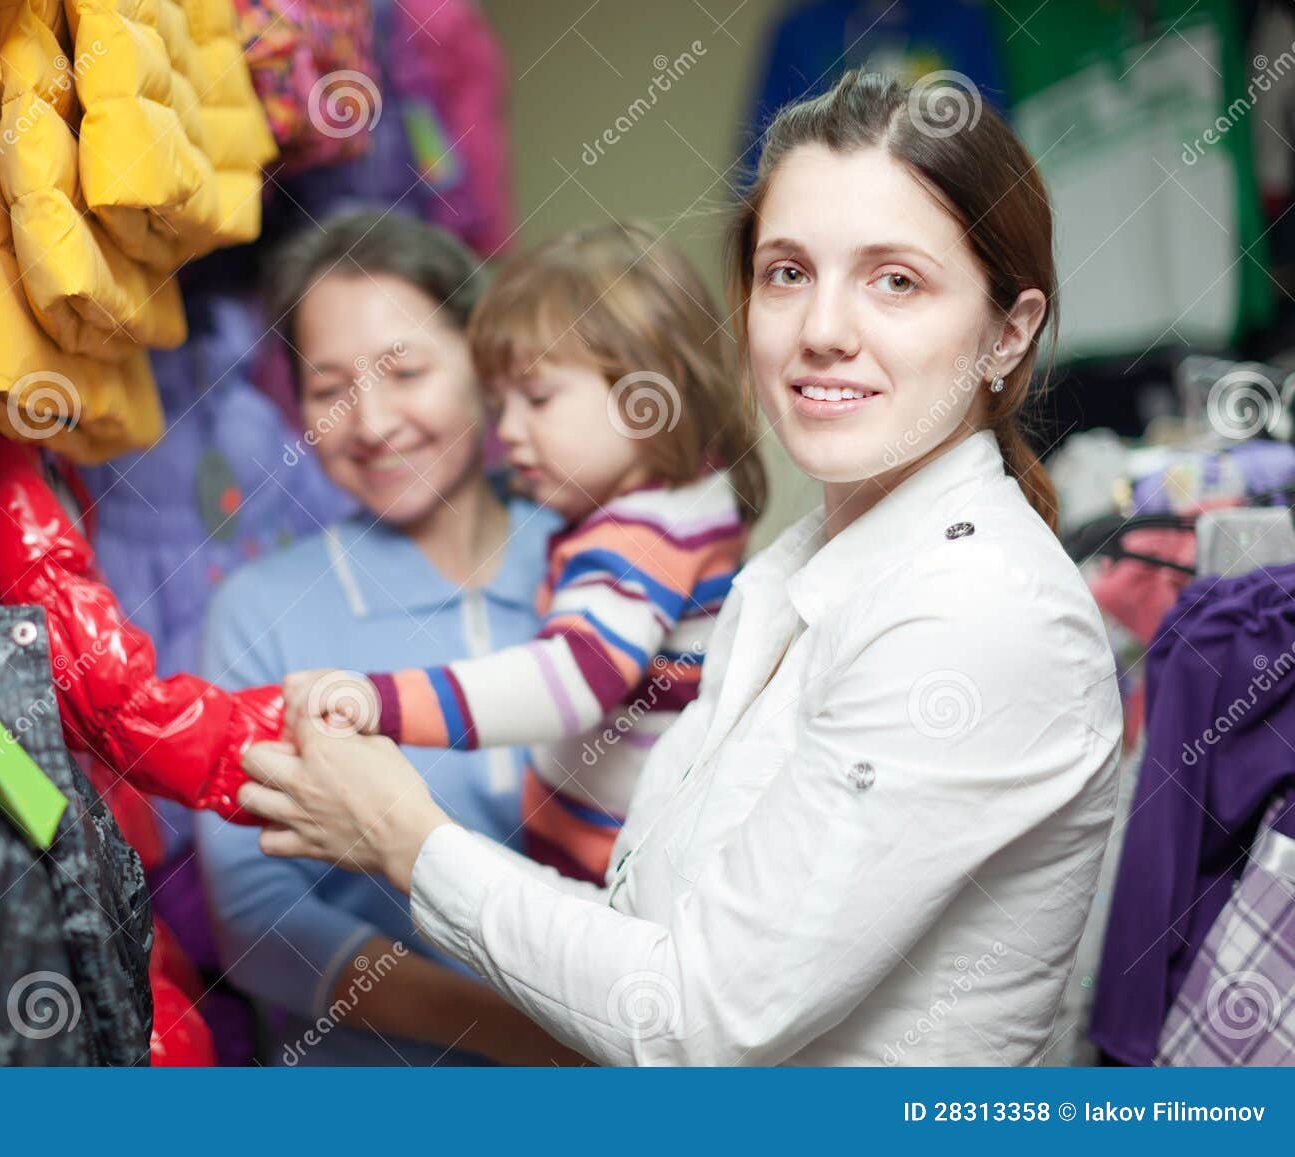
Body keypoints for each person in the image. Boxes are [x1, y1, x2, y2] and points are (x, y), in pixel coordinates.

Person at [236, 71, 1125, 1066]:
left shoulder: (974, 617)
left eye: (895, 280)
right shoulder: (788, 576)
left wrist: (409, 840)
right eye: (787, 273)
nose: (822, 327)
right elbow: (653, 931)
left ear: (1007, 333)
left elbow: (698, 1018)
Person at [196, 213, 580, 1065]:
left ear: (485, 364)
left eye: (404, 370)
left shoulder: (604, 574)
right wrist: (533, 1034)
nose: (371, 422)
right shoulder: (261, 612)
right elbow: (256, 916)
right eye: (330, 387)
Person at [284, 223, 764, 884]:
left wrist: (380, 700)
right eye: (500, 401)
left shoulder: (643, 537)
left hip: (617, 882)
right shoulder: (689, 509)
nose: (507, 431)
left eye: (537, 399)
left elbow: (569, 681)